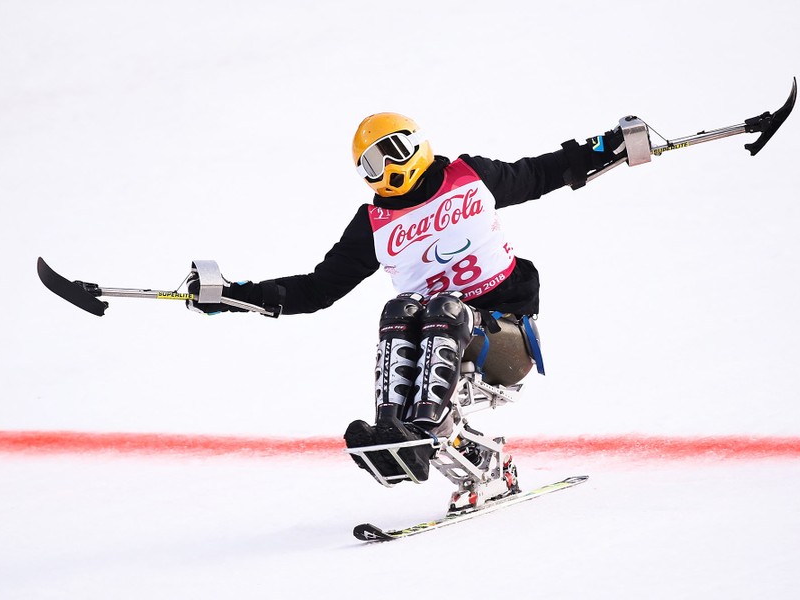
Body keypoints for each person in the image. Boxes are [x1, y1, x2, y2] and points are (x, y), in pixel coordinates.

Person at [188, 112, 626, 507]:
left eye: (389, 153)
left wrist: (608, 146)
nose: (384, 172)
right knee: (399, 308)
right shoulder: (374, 225)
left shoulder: (470, 177)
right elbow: (318, 288)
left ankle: (420, 435)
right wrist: (234, 296)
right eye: (370, 167)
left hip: (505, 341)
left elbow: (539, 172)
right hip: (438, 340)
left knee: (445, 307)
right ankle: (392, 432)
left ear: (415, 144)